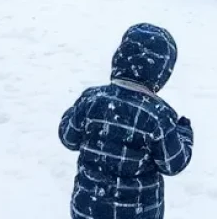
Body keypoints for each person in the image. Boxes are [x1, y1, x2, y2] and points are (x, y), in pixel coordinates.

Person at [59, 24, 193, 219]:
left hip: (88, 208)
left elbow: (68, 138)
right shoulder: (158, 115)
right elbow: (173, 163)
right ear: (161, 72)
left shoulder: (92, 99)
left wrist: (74, 111)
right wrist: (184, 133)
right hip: (136, 213)